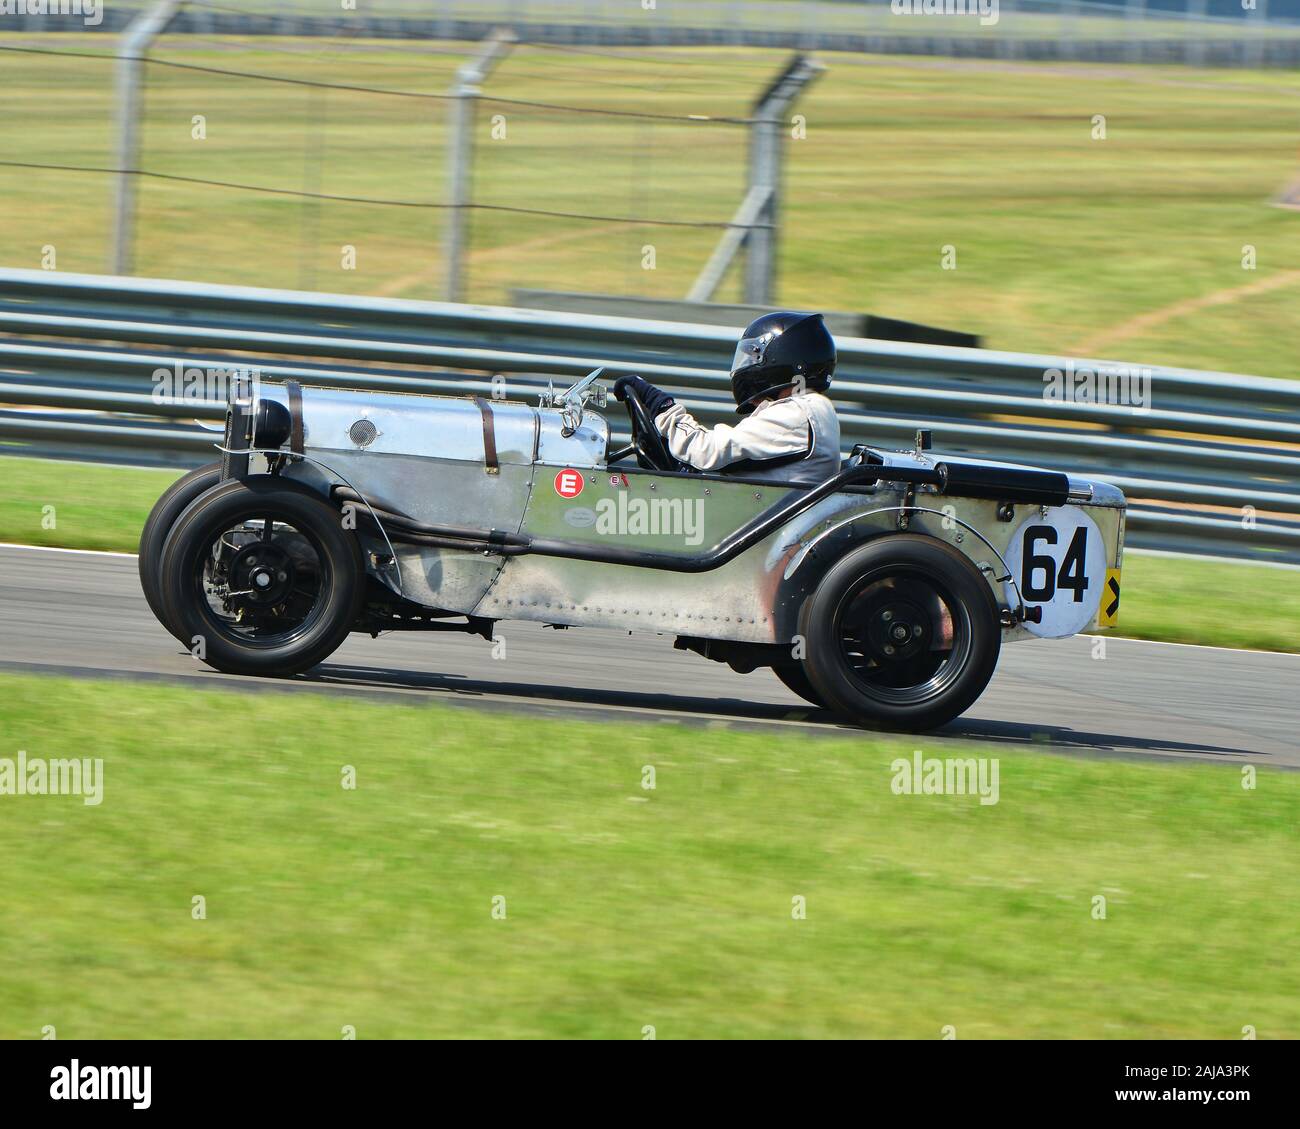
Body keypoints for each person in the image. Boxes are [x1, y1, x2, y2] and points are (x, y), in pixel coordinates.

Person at [614, 311, 841, 485]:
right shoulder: (810, 408)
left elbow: (707, 451)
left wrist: (661, 406)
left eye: (754, 357)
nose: (747, 367)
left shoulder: (799, 413)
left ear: (786, 360)